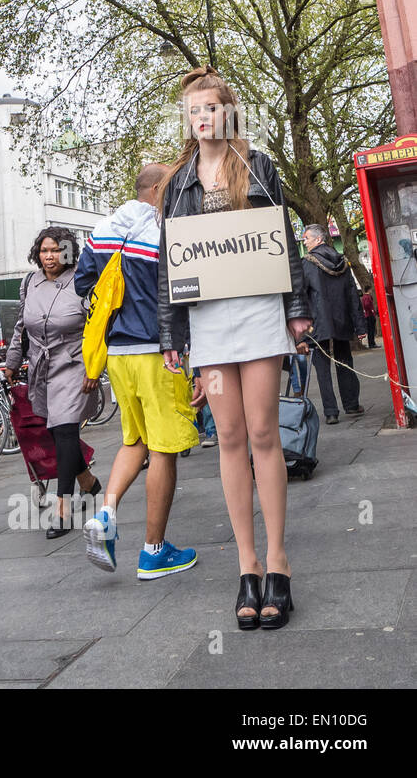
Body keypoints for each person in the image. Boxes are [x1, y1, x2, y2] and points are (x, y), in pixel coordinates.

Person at [157, 65, 312, 631]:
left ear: (229, 112)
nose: (202, 118)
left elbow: (284, 240)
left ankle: (278, 562)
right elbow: (171, 263)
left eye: (211, 108)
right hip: (210, 325)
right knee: (227, 436)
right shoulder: (178, 183)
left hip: (258, 314)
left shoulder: (258, 165)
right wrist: (171, 334)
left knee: (265, 432)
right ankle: (246, 568)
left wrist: (297, 312)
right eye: (193, 110)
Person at [75, 165, 199, 578]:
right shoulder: (166, 230)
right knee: (163, 448)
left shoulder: (103, 229)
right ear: (160, 188)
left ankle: (106, 512)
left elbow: (83, 285)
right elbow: (185, 293)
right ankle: (153, 551)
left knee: (135, 441)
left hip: (118, 353)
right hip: (159, 351)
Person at [3, 227, 102, 538]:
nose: (50, 256)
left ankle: (62, 511)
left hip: (74, 364)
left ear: (68, 252)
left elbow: (96, 326)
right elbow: (21, 326)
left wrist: (94, 367)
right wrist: (11, 362)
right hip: (42, 369)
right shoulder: (29, 282)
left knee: (65, 429)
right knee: (55, 430)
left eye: (57, 250)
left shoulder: (82, 281)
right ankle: (88, 481)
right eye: (45, 250)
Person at [301, 224, 367, 423]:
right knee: (345, 361)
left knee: (322, 368)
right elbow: (352, 295)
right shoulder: (343, 262)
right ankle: (352, 404)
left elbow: (302, 295)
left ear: (318, 240)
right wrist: (360, 326)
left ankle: (331, 412)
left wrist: (302, 331)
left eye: (306, 238)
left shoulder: (308, 262)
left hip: (318, 322)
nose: (304, 242)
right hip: (342, 318)